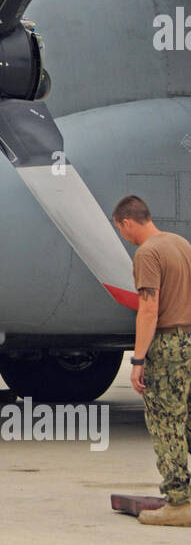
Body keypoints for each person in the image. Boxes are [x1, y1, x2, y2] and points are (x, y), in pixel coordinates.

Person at [113, 194, 191, 526]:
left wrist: (138, 360)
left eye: (120, 229)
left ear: (127, 222)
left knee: (166, 423)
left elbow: (148, 309)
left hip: (170, 344)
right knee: (187, 419)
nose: (122, 235)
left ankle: (178, 502)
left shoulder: (148, 254)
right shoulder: (181, 244)